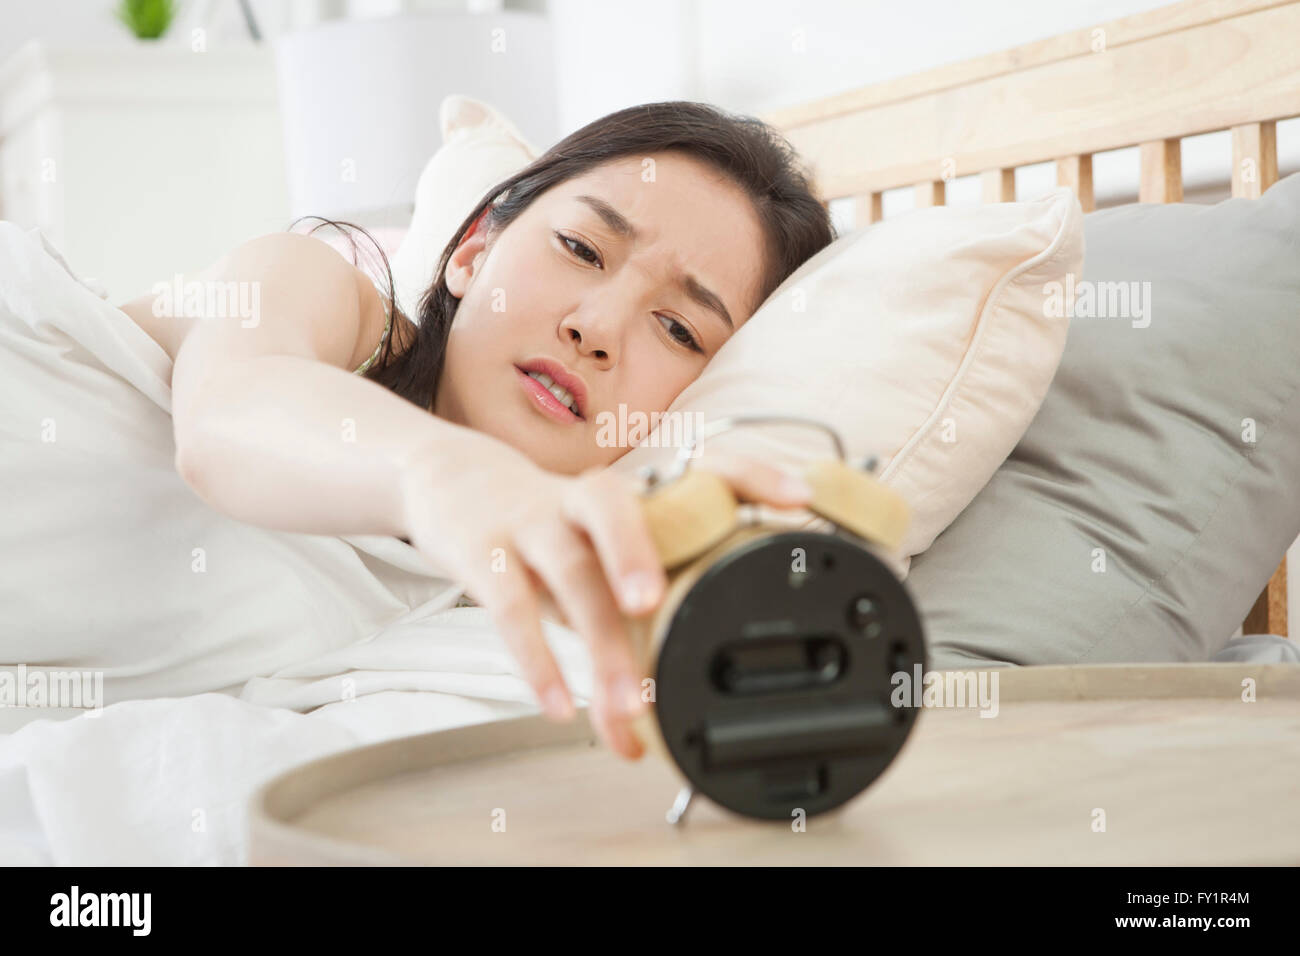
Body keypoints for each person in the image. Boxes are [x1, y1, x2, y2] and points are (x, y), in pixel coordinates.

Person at [117, 101, 836, 758]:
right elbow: (229, 410)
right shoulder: (317, 289)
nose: (596, 327)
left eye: (678, 327)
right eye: (582, 250)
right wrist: (442, 472)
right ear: (471, 253)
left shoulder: (502, 589)